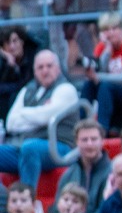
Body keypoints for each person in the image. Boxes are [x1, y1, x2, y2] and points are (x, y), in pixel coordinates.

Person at [0, 51, 80, 193]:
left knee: (30, 148)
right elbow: (11, 122)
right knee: (24, 149)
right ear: (35, 71)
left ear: (58, 68)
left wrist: (23, 113)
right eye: (40, 67)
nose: (45, 71)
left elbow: (46, 117)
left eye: (49, 66)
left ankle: (27, 199)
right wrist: (41, 113)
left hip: (60, 147)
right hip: (25, 147)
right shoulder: (27, 90)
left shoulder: (66, 89)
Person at [72, 14, 122, 134]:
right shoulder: (103, 47)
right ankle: (80, 125)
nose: (110, 33)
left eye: (114, 28)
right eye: (106, 30)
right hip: (113, 92)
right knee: (89, 84)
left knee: (105, 86)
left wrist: (98, 77)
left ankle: (102, 129)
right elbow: (97, 72)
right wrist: (107, 51)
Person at [52, 123, 107, 212]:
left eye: (94, 139)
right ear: (77, 142)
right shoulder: (68, 175)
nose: (89, 144)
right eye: (84, 140)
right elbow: (56, 209)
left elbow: (109, 211)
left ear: (102, 141)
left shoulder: (113, 172)